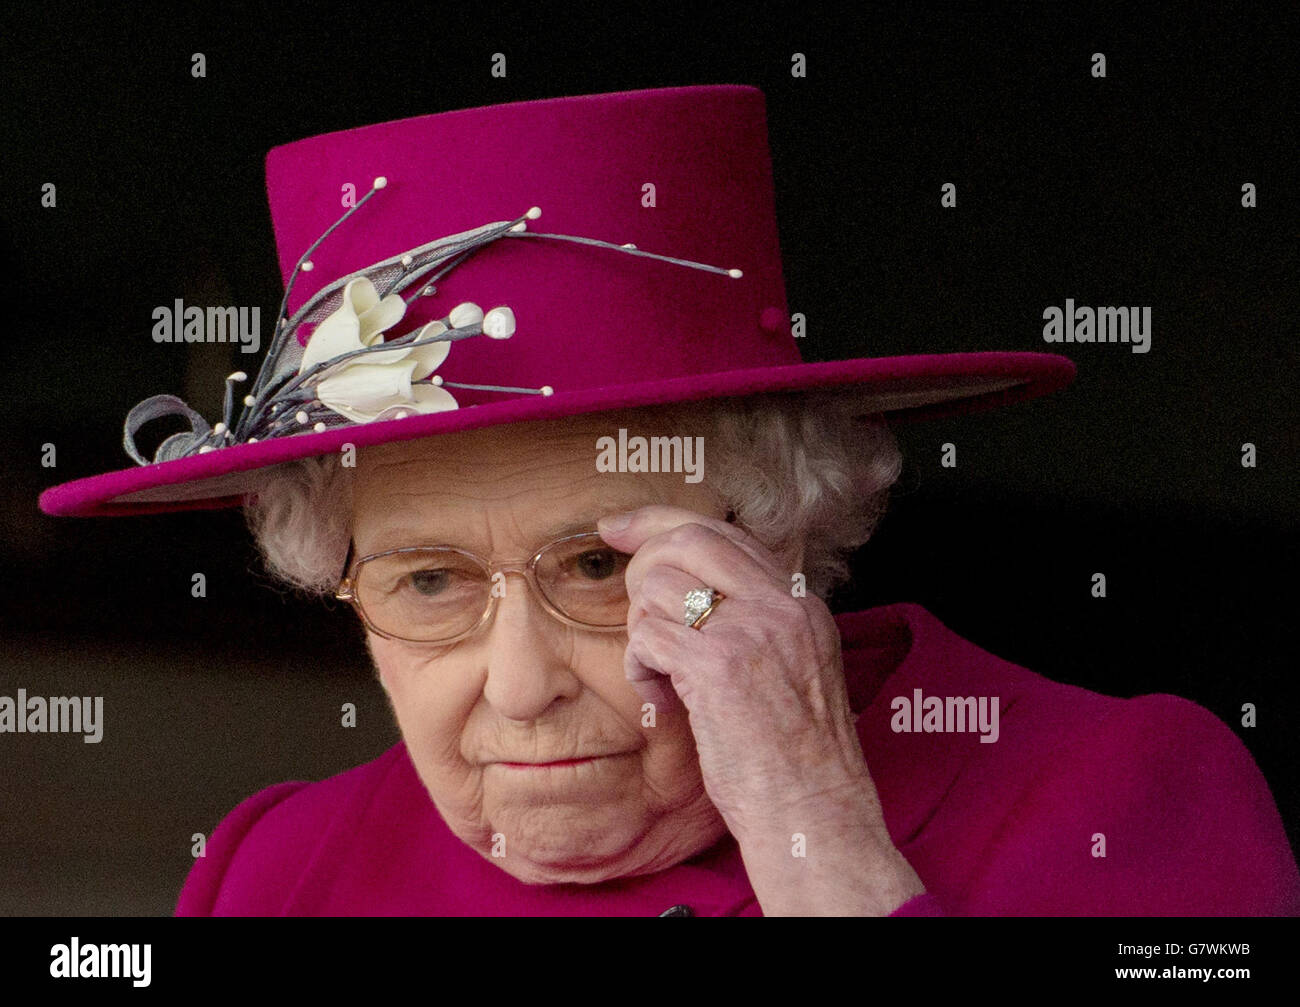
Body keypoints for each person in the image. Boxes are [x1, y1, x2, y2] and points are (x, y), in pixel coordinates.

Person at [40, 84, 1300, 916]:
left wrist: (816, 834)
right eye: (428, 582)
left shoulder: (1117, 793)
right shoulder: (282, 872)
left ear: (780, 534)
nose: (520, 683)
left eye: (597, 566)